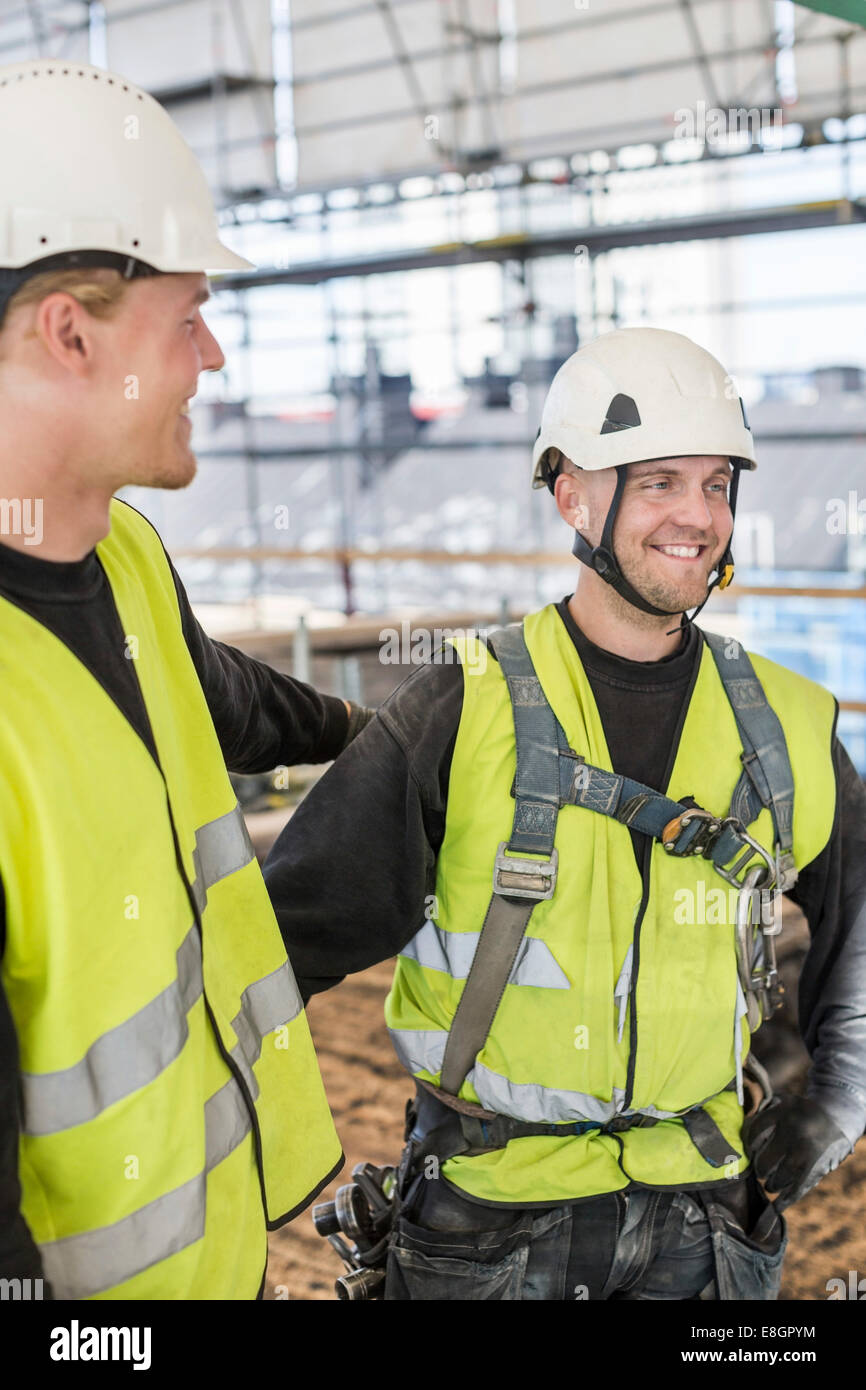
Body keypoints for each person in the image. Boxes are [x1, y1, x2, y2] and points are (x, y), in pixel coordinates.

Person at [263, 326, 866, 1301]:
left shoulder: (787, 725)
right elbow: (281, 940)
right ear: (571, 494)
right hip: (489, 1222)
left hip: (705, 1224)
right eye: (659, 480)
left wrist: (837, 1099)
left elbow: (860, 909)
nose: (697, 515)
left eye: (716, 483)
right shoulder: (461, 710)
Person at [0, 59, 373, 1299]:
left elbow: (216, 695)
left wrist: (383, 731)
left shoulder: (122, 554)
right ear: (70, 330)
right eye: (189, 315)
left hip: (222, 1262)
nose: (210, 355)